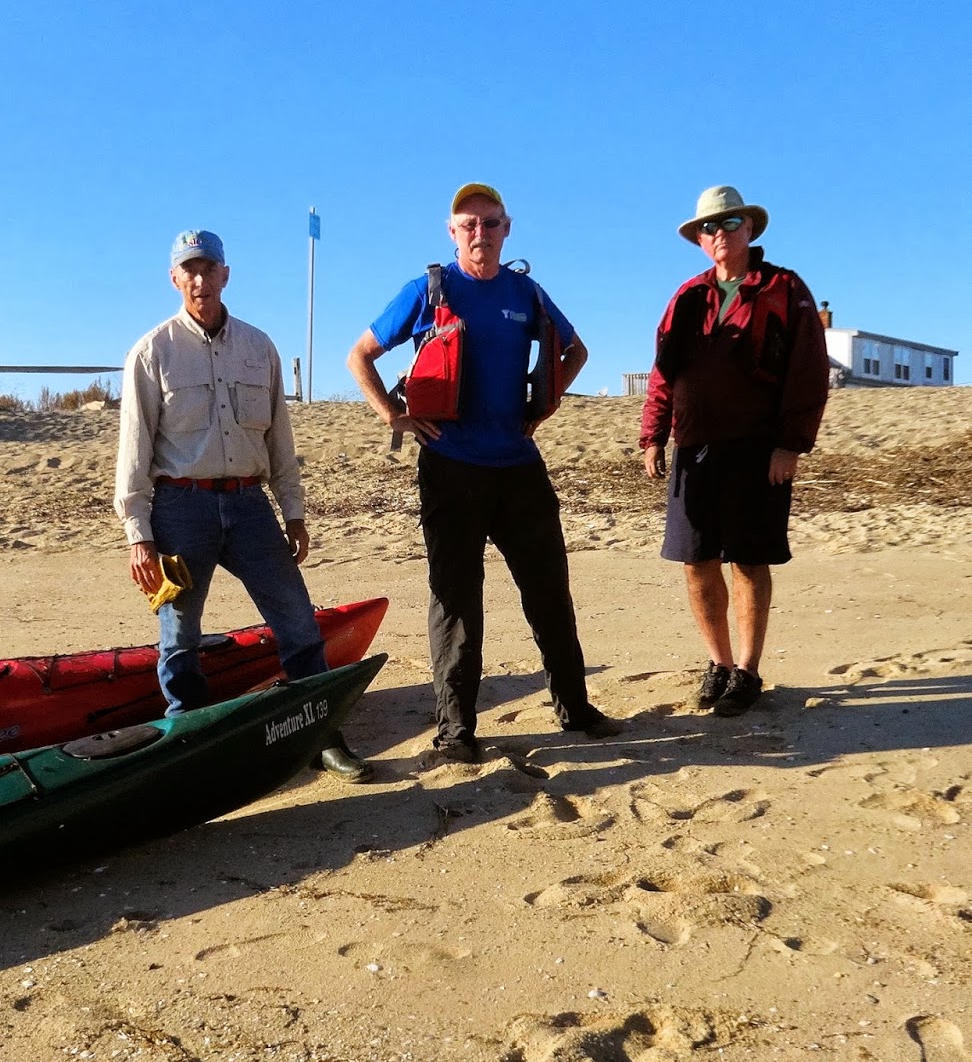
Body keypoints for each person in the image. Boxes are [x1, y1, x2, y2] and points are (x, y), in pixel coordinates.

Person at [344, 183, 616, 764]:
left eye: (490, 223)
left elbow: (576, 351)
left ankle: (575, 708)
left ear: (506, 229)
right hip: (451, 467)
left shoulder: (525, 291)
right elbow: (360, 355)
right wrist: (393, 414)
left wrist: (545, 404)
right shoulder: (428, 290)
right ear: (452, 231)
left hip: (518, 467)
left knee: (548, 591)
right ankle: (456, 731)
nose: (480, 234)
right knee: (456, 600)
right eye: (468, 224)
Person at [115, 228, 372, 781]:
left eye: (209, 268)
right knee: (179, 635)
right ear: (174, 279)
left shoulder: (259, 348)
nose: (200, 279)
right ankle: (187, 745)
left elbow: (280, 441)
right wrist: (139, 534)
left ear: (225, 274)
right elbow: (132, 452)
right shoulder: (151, 352)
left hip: (251, 506)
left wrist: (294, 512)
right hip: (179, 510)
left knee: (297, 620)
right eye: (189, 270)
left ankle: (322, 737)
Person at [640, 185, 830, 716]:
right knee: (696, 561)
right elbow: (663, 370)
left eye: (729, 223)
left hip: (757, 448)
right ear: (699, 239)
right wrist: (653, 435)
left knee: (748, 559)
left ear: (748, 228)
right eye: (709, 227)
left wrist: (790, 445)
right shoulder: (686, 296)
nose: (719, 233)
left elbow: (809, 371)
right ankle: (718, 663)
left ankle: (747, 670)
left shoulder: (784, 288)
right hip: (693, 447)